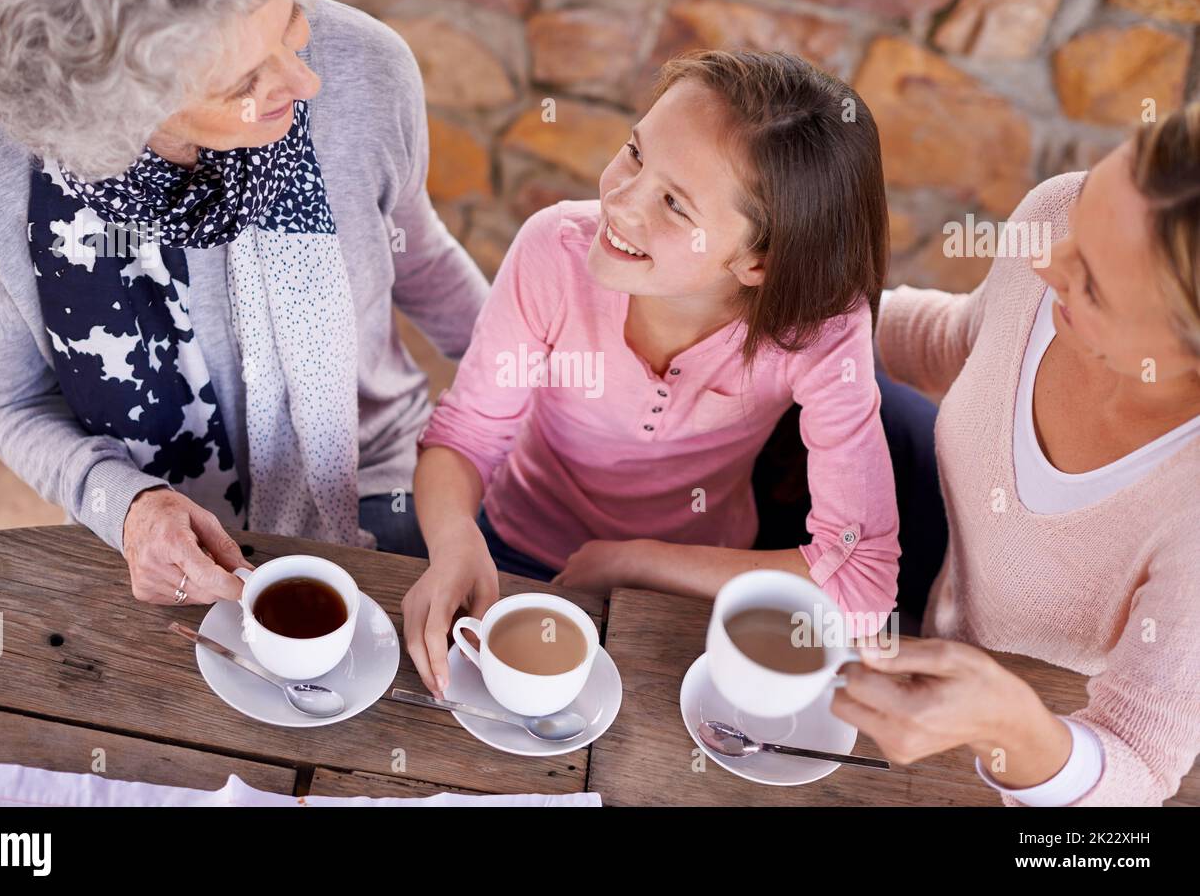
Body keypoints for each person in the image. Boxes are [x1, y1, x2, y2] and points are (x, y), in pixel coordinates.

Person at [0, 0, 487, 605]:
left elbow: (416, 255)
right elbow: (11, 404)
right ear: (117, 102)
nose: (305, 82)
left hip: (374, 476)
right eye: (241, 82)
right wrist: (129, 507)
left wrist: (541, 372)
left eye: (291, 22)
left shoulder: (368, 68)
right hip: (157, 530)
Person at [403, 50, 901, 696]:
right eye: (636, 152)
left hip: (685, 594)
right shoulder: (552, 249)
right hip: (508, 555)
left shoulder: (820, 331)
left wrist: (636, 561)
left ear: (758, 262)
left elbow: (861, 581)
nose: (619, 200)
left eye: (674, 204)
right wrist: (451, 540)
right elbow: (466, 435)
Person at [834, 103, 1200, 806]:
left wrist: (1013, 729)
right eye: (1090, 196)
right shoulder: (1058, 214)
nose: (1044, 258)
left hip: (1014, 717)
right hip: (934, 559)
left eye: (1089, 283)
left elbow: (1142, 768)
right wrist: (794, 302)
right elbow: (964, 337)